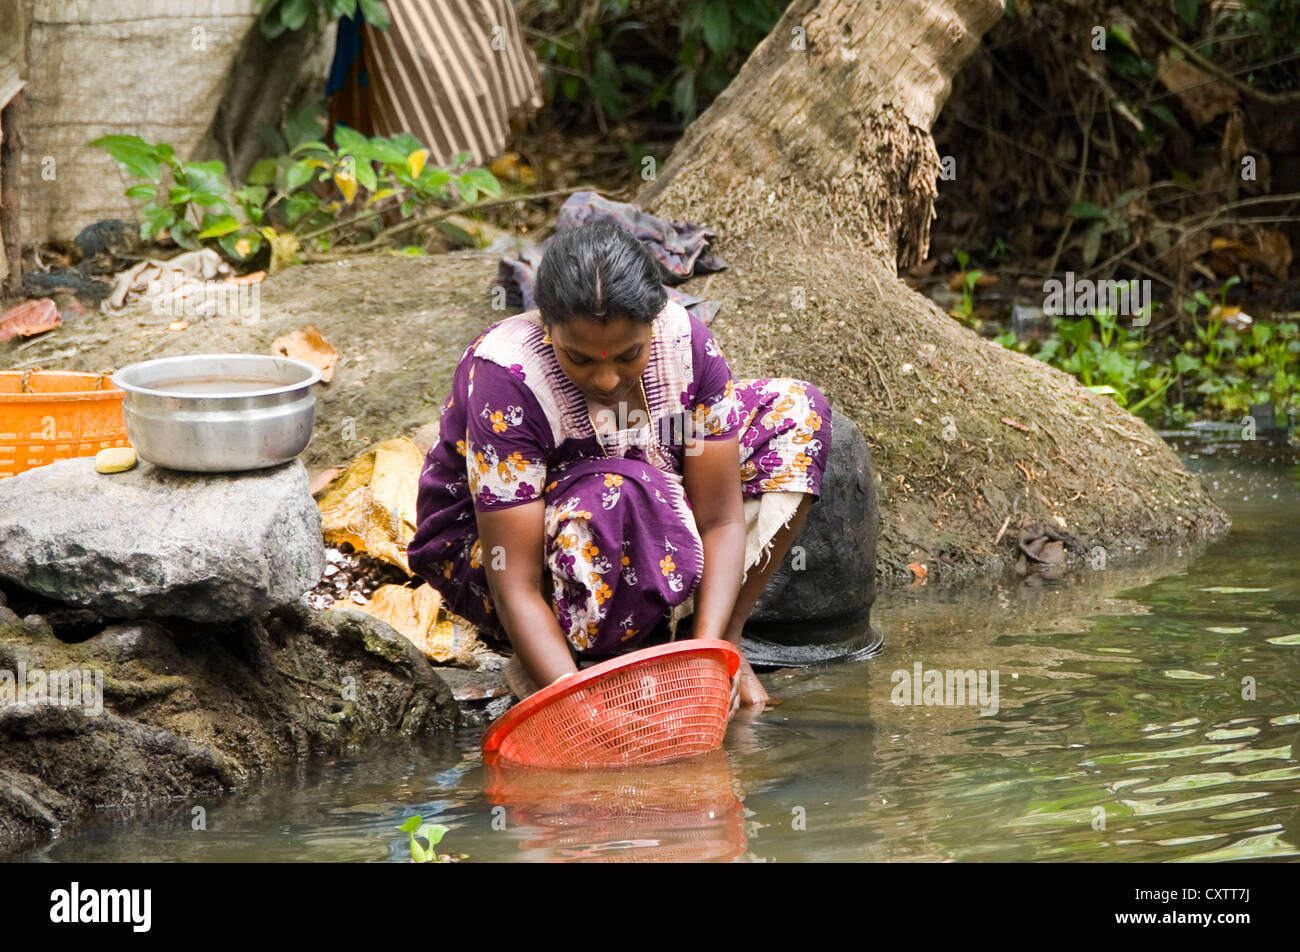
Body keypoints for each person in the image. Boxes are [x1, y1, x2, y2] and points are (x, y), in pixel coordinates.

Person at [408, 220, 832, 708]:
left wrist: (711, 656)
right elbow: (516, 584)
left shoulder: (686, 344)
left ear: (654, 322)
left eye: (629, 355)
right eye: (580, 359)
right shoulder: (506, 378)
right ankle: (578, 661)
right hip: (498, 558)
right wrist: (575, 710)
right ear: (546, 328)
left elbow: (720, 518)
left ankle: (716, 639)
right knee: (620, 492)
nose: (607, 379)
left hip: (652, 505)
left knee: (794, 410)